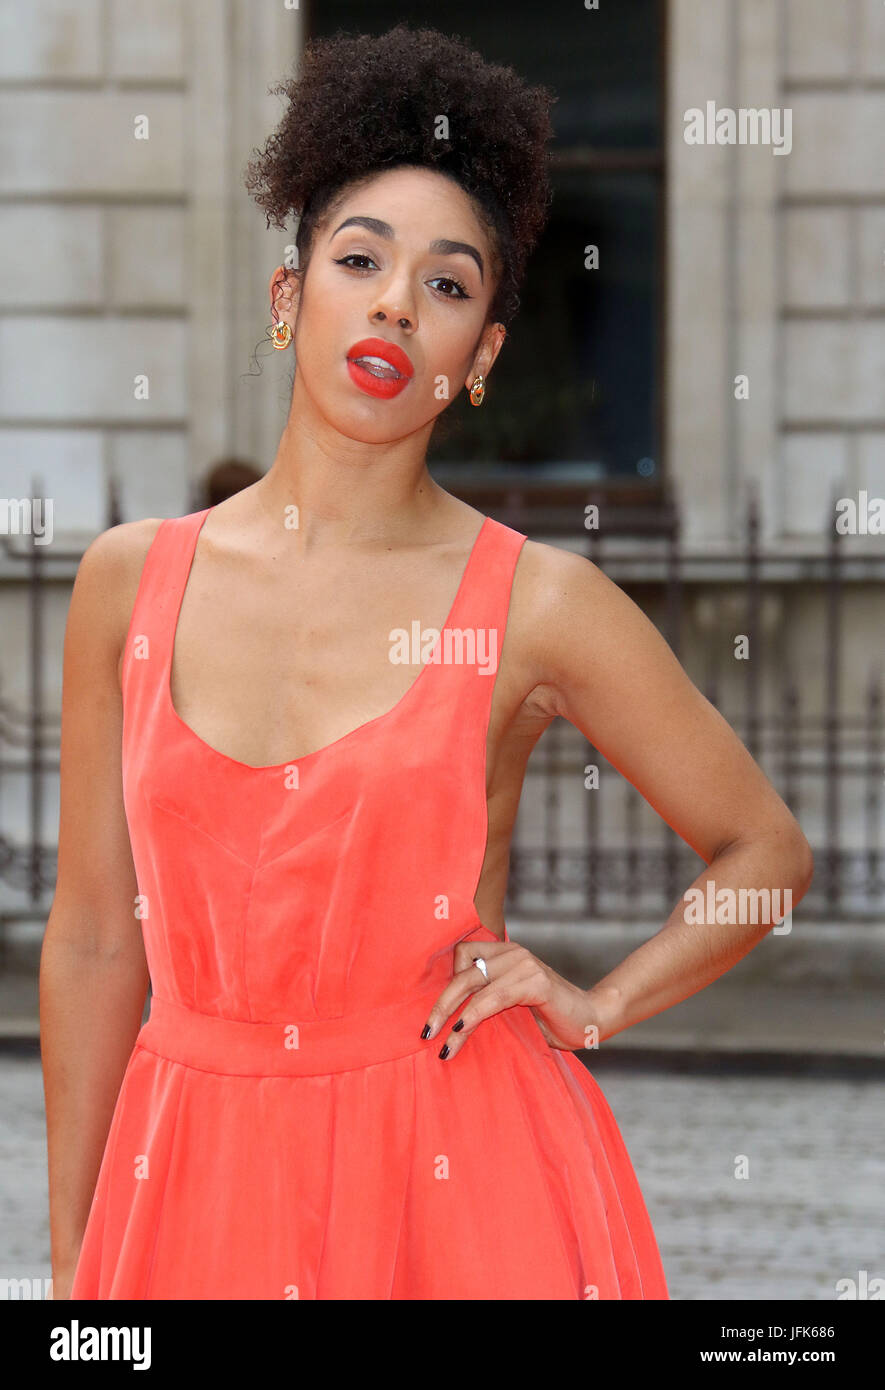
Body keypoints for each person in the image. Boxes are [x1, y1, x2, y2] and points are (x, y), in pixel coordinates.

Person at [42, 23, 813, 1300]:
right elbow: (87, 944)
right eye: (360, 260)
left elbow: (764, 850)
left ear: (481, 363)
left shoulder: (539, 603)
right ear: (289, 299)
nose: (397, 301)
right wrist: (78, 1271)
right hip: (188, 1194)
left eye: (448, 286)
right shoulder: (128, 581)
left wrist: (594, 1003)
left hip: (457, 1190)